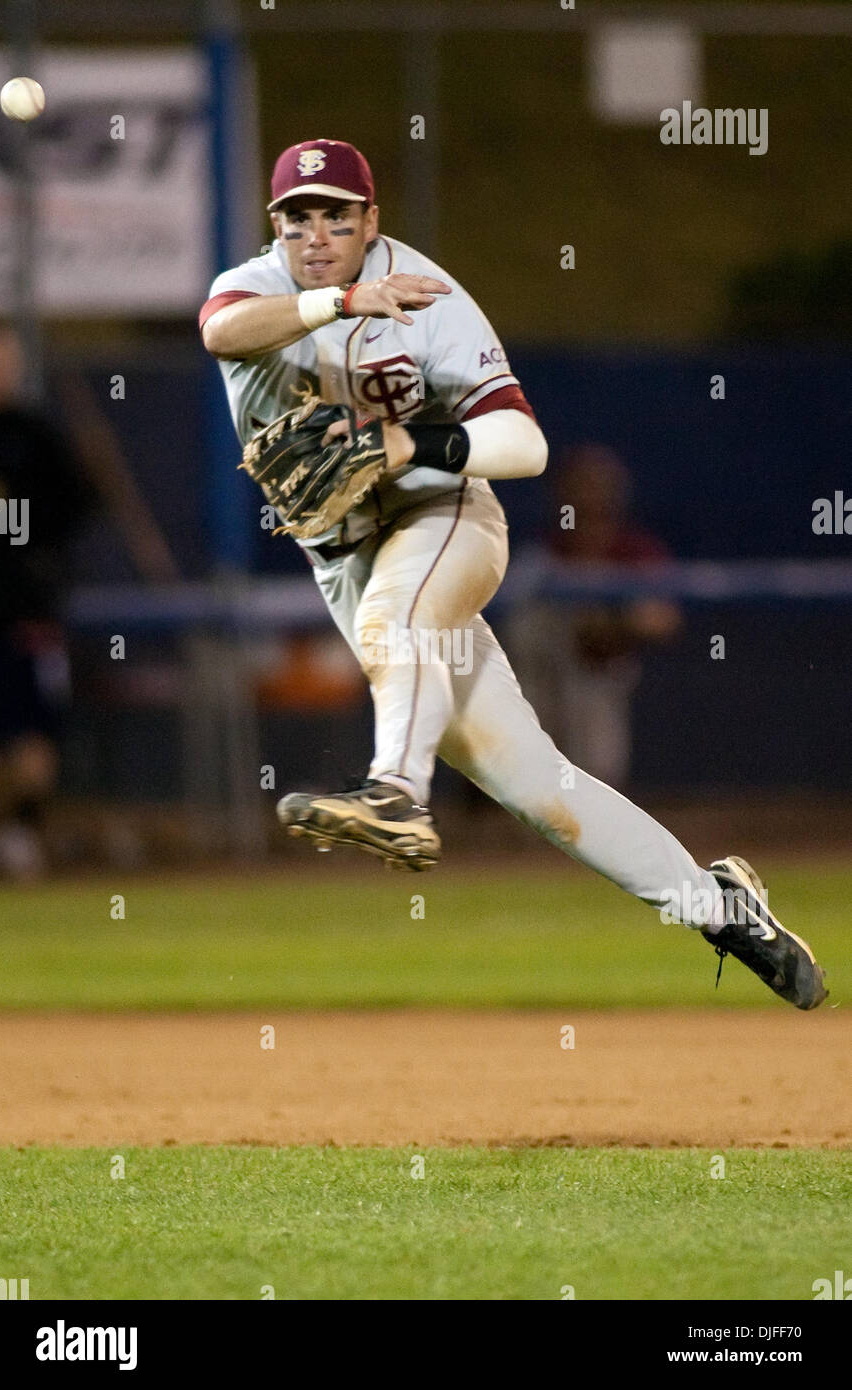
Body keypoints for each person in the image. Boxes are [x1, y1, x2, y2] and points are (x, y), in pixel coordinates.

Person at [200, 139, 826, 1011]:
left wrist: (406, 444)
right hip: (344, 559)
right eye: (298, 217)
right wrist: (337, 300)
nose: (315, 232)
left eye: (335, 215)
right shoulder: (258, 286)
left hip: (444, 516)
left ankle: (394, 793)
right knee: (538, 785)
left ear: (370, 219)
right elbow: (220, 331)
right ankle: (716, 905)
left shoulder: (431, 295)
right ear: (277, 227)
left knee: (399, 613)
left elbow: (524, 446)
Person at [504, 444, 682, 789]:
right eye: (580, 487)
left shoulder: (634, 552)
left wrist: (616, 622)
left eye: (599, 488)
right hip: (539, 680)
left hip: (597, 676)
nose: (590, 497)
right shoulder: (539, 557)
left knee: (597, 773)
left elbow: (664, 620)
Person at [0, 324, 92, 878]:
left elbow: (77, 508)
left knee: (32, 737)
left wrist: (27, 545)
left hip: (26, 616)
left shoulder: (36, 436)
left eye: (4, 359)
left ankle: (22, 837)